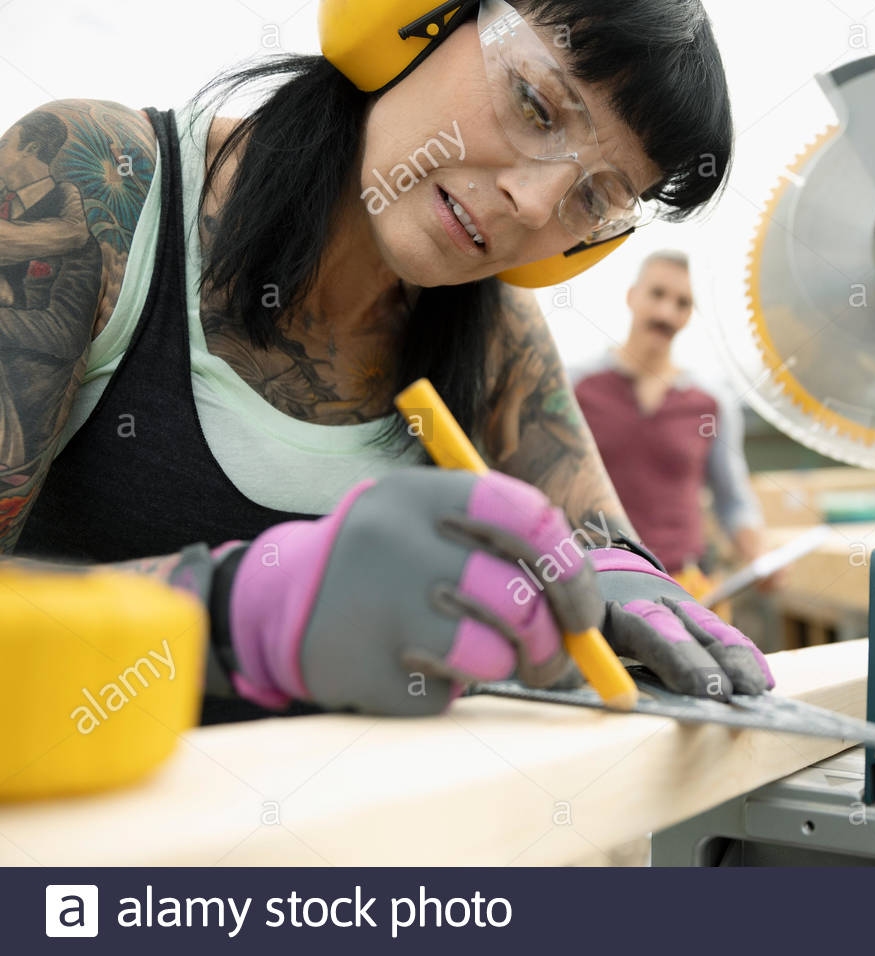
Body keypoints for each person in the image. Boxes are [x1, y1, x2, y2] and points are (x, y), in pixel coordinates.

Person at [0, 0, 773, 723]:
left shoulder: (497, 330)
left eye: (592, 198)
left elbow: (595, 538)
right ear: (414, 20)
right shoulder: (88, 189)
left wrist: (620, 577)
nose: (535, 205)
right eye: (536, 106)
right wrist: (240, 613)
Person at [571, 251, 778, 594]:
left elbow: (733, 500)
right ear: (631, 295)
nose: (667, 312)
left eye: (682, 303)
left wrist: (760, 556)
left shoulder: (711, 404)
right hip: (592, 588)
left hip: (685, 589)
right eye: (657, 295)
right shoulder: (576, 389)